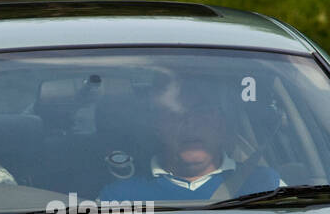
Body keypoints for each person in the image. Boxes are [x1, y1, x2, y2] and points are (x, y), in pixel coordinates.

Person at [99, 74, 281, 202]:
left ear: (220, 122)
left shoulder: (266, 186)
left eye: (201, 112)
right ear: (157, 126)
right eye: (174, 115)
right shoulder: (119, 197)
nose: (190, 124)